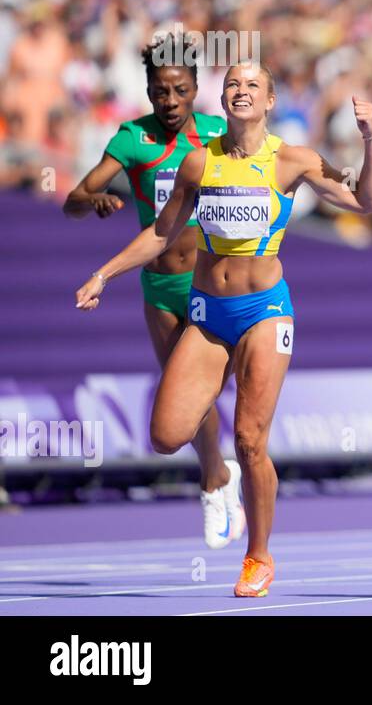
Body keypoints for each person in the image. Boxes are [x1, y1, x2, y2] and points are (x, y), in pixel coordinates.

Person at [76, 62, 372, 597]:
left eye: (252, 86)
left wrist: (371, 139)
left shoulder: (292, 160)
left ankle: (258, 555)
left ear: (269, 102)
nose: (241, 91)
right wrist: (104, 273)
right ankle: (221, 478)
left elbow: (367, 201)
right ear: (223, 100)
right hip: (208, 314)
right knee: (167, 435)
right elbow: (161, 234)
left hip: (264, 312)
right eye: (233, 84)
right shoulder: (199, 163)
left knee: (249, 439)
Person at [64, 37, 240, 549]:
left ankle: (219, 475)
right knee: (186, 395)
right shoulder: (131, 139)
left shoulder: (217, 134)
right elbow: (73, 199)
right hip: (160, 287)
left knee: (209, 389)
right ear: (147, 90)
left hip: (210, 281)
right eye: (160, 92)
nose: (169, 102)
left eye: (180, 91)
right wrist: (92, 199)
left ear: (195, 90)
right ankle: (214, 480)